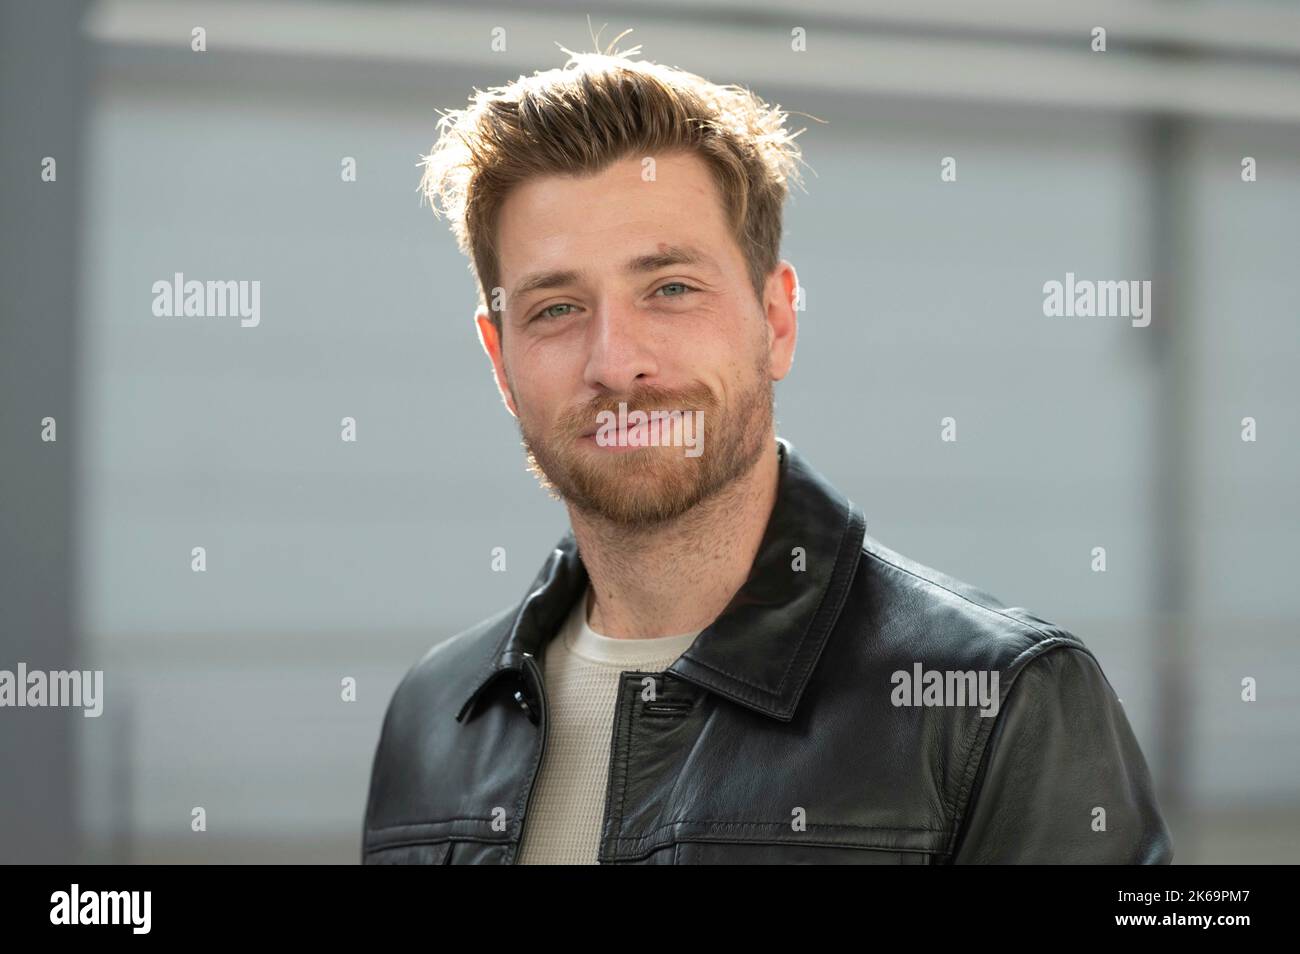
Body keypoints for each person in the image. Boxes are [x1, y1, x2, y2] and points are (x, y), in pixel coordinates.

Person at [362, 42, 1173, 865]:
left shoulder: (994, 705)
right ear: (500, 361)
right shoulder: (434, 716)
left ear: (776, 321)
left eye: (670, 289)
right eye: (557, 308)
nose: (615, 363)